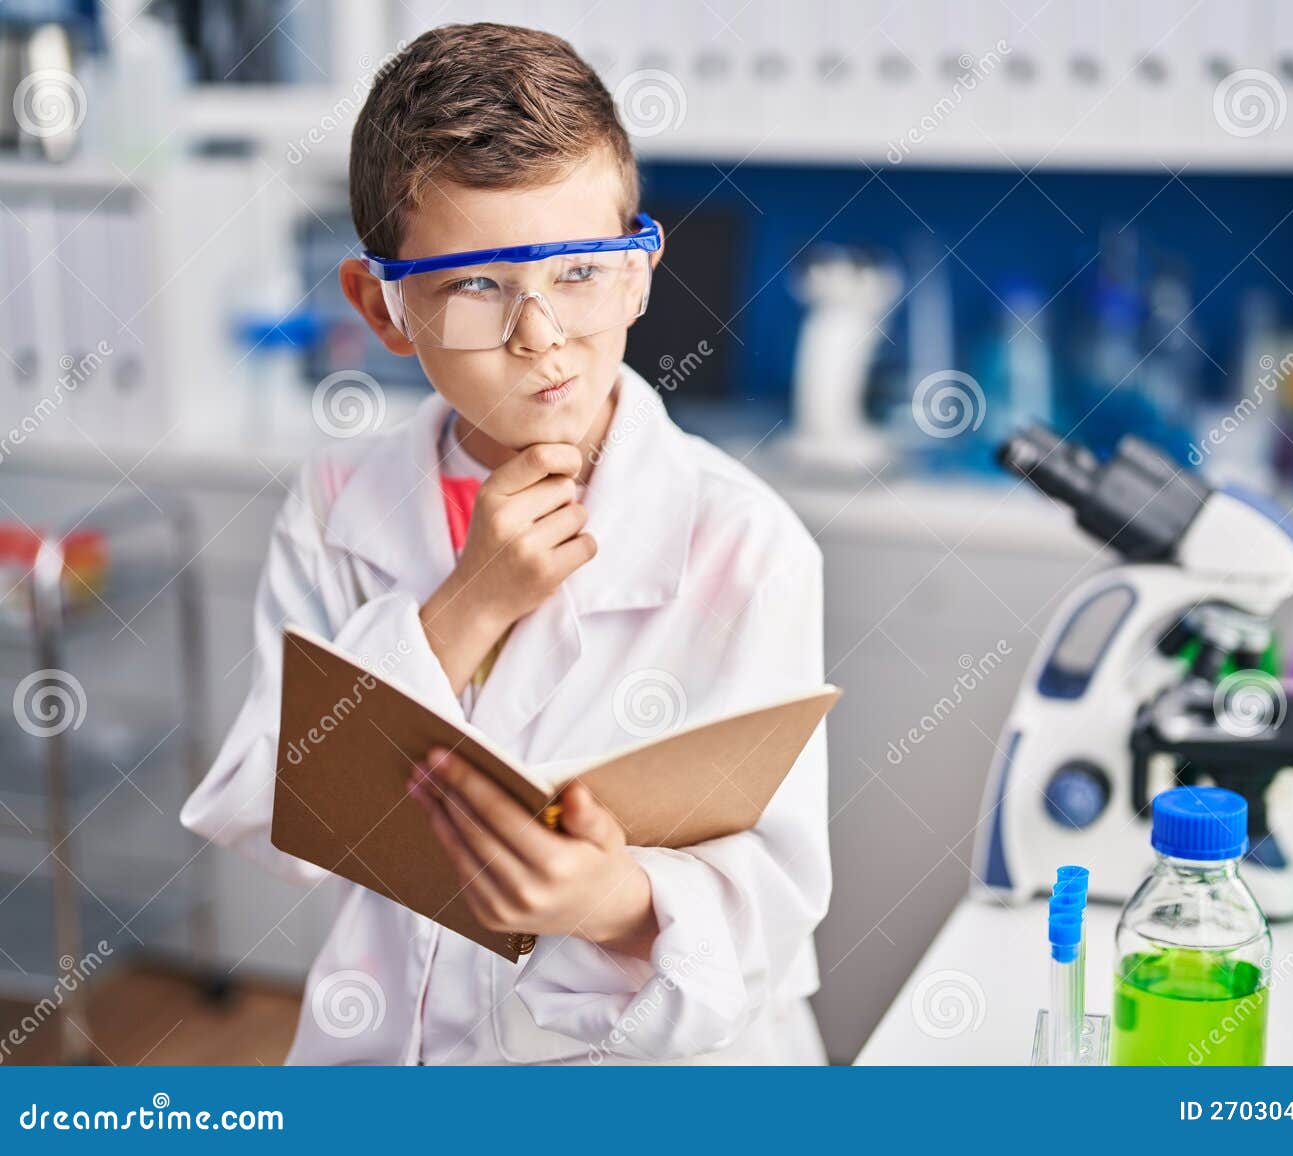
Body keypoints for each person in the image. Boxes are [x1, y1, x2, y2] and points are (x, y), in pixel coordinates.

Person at [180, 22, 830, 1065]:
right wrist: (465, 604)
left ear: (639, 271)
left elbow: (778, 902)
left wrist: (610, 898)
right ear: (383, 307)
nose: (542, 338)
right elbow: (272, 810)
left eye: (580, 271)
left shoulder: (745, 542)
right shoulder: (339, 503)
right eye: (478, 285)